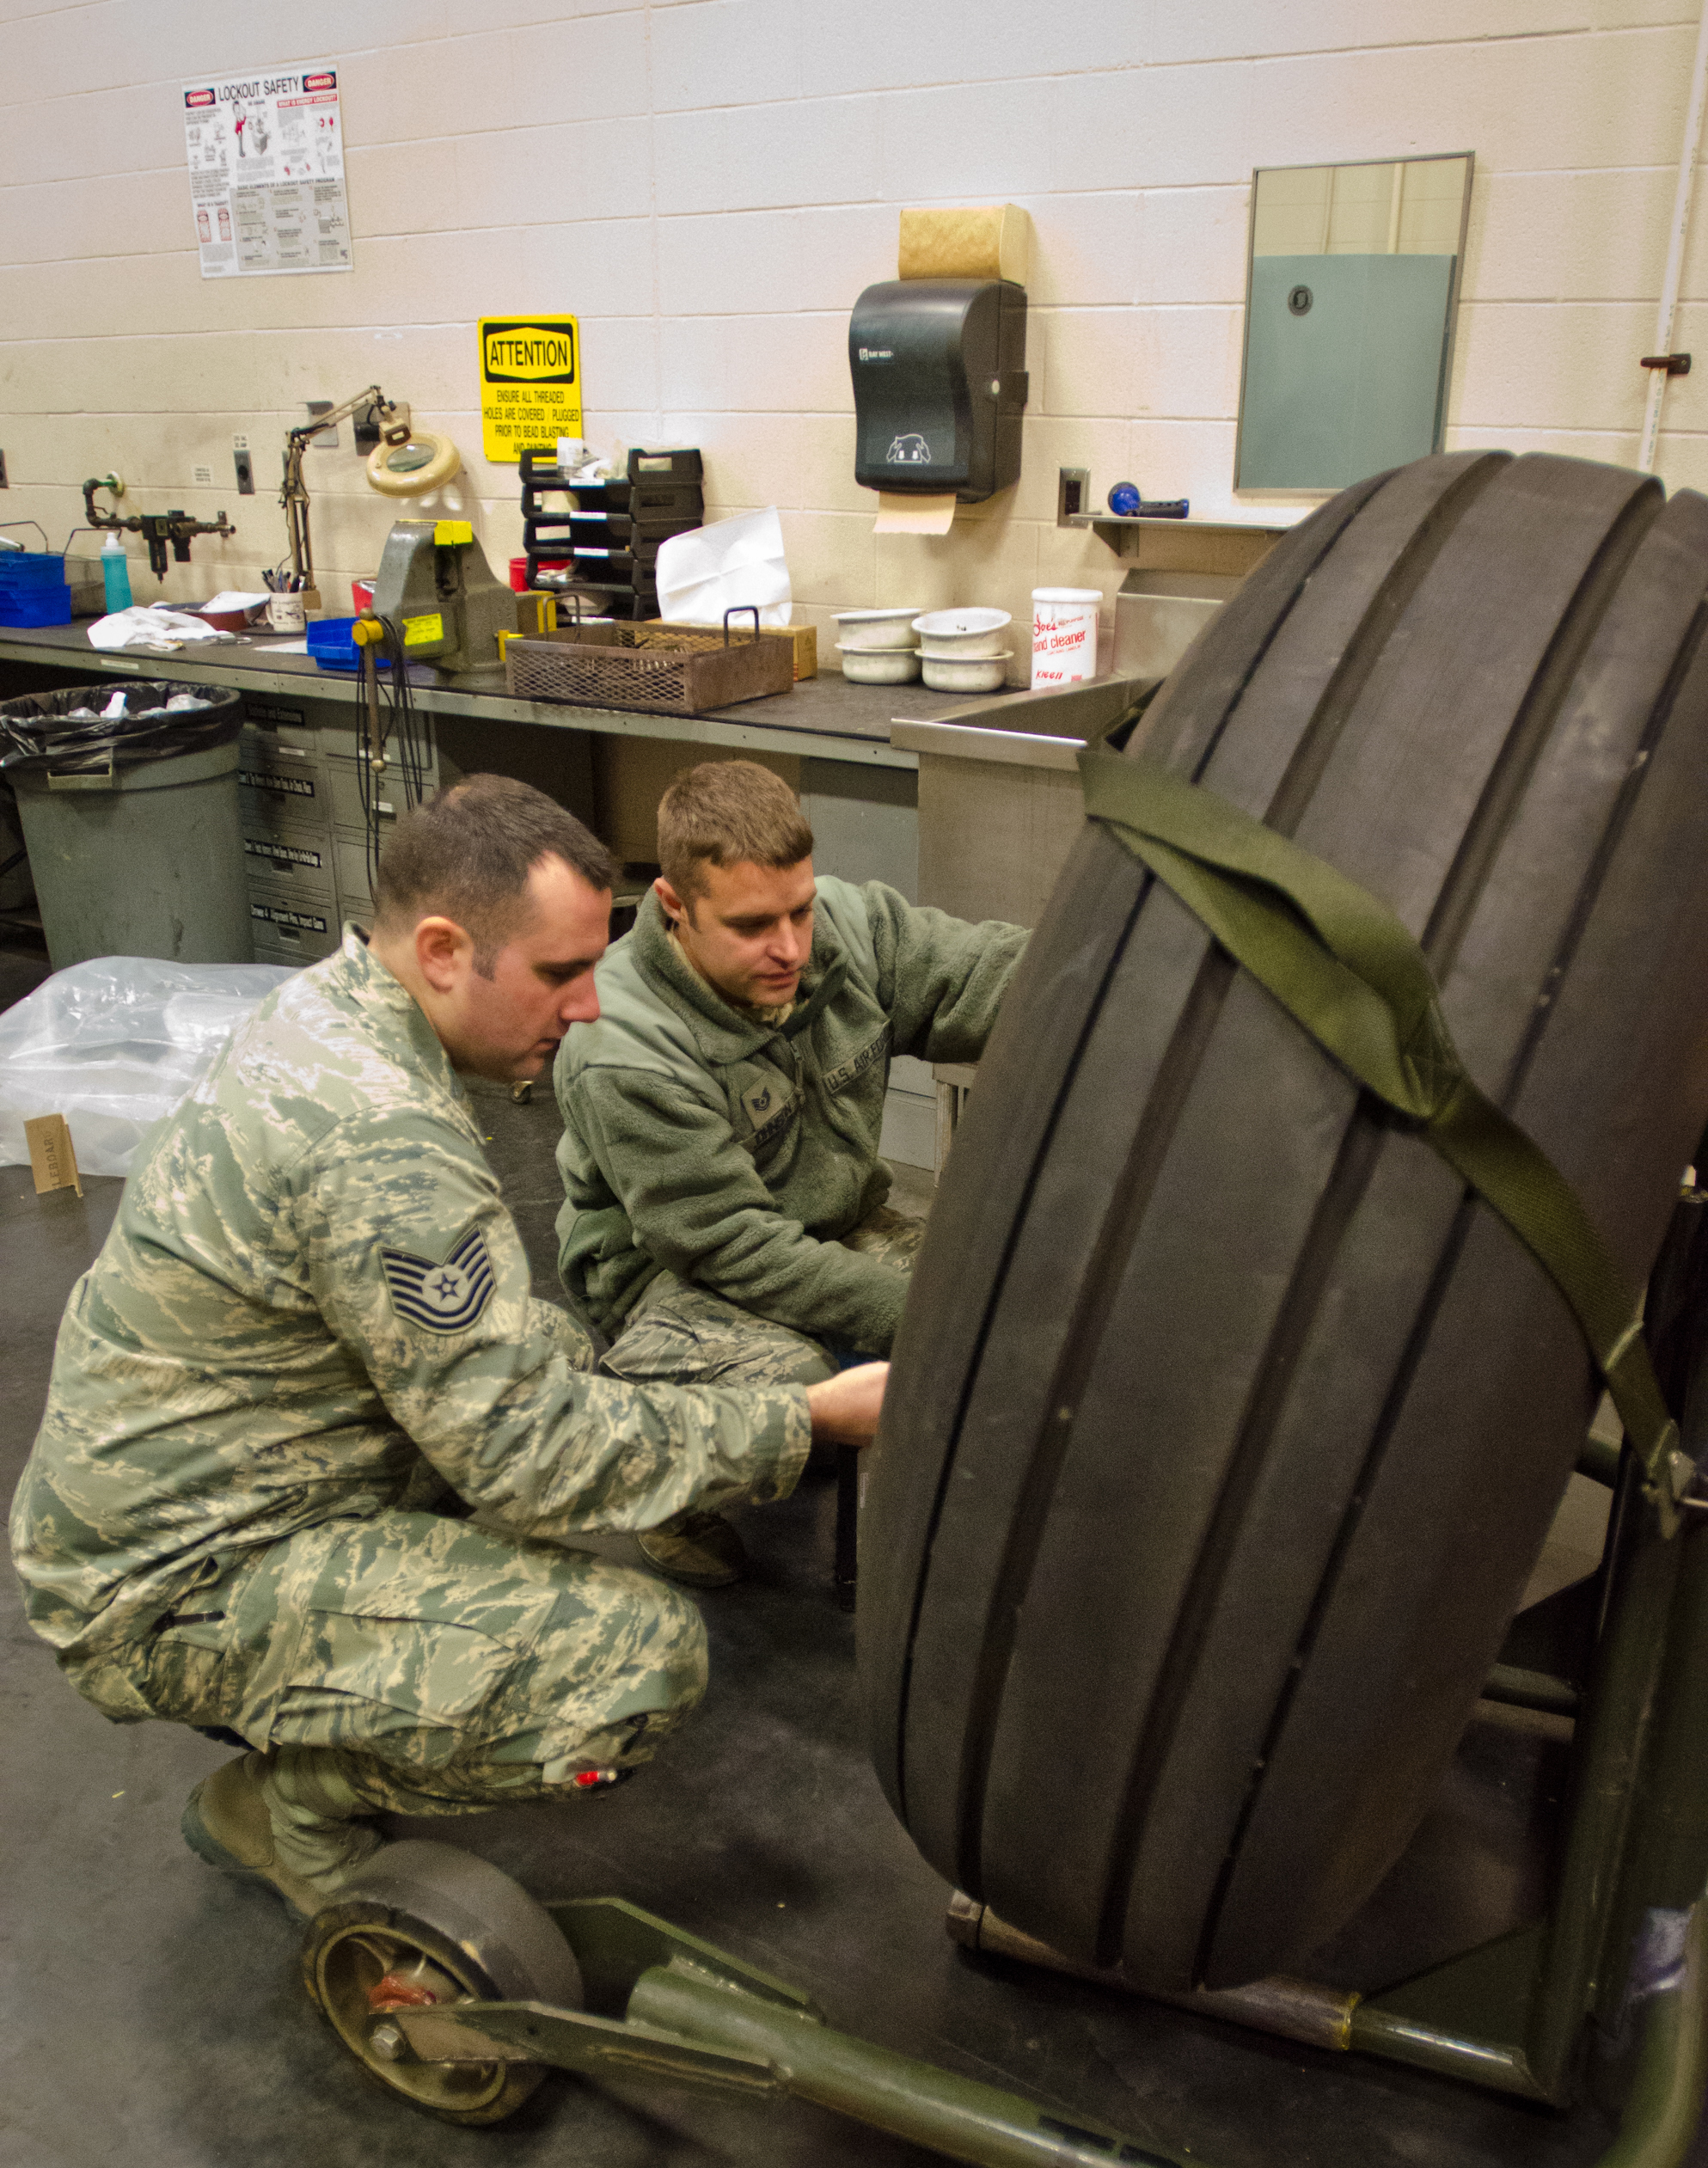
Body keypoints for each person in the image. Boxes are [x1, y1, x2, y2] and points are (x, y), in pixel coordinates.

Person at [9, 776, 885, 1916]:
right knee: (630, 1665)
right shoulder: (382, 1142)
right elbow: (527, 1460)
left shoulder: (331, 1011)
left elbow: (503, 1387)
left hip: (215, 1485)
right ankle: (287, 1811)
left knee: (557, 1355)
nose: (587, 1010)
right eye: (559, 976)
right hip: (176, 1580)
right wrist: (806, 1422)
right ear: (437, 947)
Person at [554, 758, 1026, 1587]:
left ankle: (818, 1413)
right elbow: (735, 1250)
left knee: (1011, 1296)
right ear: (674, 906)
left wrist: (1126, 980)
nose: (790, 949)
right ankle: (661, 1471)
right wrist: (924, 1321)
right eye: (749, 926)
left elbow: (985, 975)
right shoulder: (624, 1047)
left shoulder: (842, 928)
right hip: (670, 1276)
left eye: (799, 911)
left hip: (828, 1221)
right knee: (797, 1373)